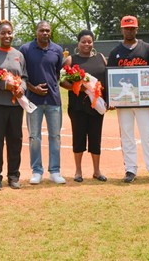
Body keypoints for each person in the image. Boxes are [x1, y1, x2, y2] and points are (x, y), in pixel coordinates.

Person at [108, 16, 149, 184]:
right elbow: (111, 78)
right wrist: (111, 99)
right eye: (126, 28)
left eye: (132, 28)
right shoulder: (115, 52)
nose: (129, 31)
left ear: (137, 29)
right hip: (124, 100)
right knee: (127, 134)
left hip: (143, 99)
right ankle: (130, 169)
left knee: (148, 134)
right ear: (122, 29)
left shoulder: (147, 49)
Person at [19, 21, 65, 185]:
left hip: (53, 101)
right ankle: (37, 171)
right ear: (36, 31)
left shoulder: (57, 50)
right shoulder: (25, 49)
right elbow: (22, 75)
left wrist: (50, 87)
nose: (45, 33)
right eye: (42, 30)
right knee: (34, 137)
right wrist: (33, 88)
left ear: (50, 32)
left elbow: (58, 74)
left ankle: (55, 171)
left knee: (55, 136)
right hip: (33, 101)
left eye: (47, 31)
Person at [0, 20, 27, 190]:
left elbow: (24, 77)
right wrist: (4, 85)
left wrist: (21, 88)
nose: (7, 36)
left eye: (9, 33)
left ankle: (13, 176)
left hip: (15, 105)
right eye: (3, 33)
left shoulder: (19, 54)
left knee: (15, 140)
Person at [60, 30, 107, 183]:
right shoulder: (70, 60)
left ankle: (97, 170)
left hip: (96, 105)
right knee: (78, 137)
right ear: (78, 43)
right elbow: (62, 81)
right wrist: (76, 87)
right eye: (83, 41)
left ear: (93, 43)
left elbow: (107, 78)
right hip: (77, 106)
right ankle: (78, 171)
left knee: (96, 137)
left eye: (89, 41)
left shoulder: (100, 58)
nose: (87, 44)